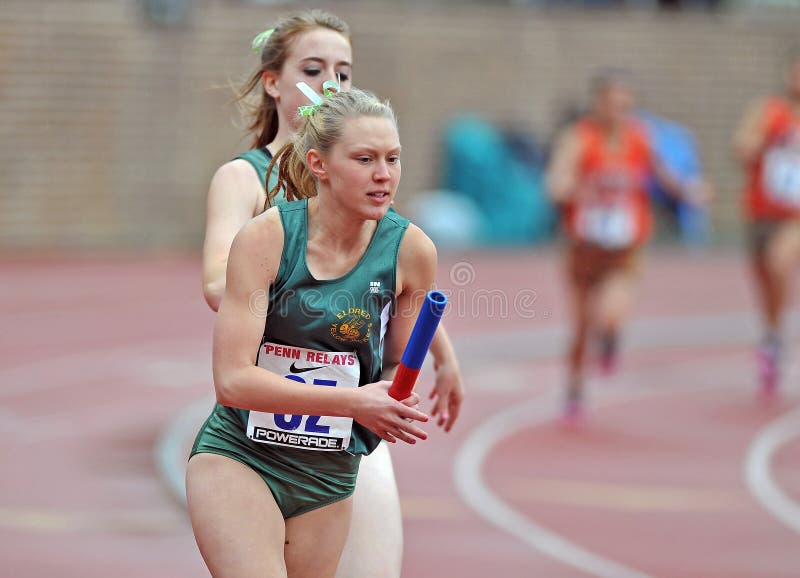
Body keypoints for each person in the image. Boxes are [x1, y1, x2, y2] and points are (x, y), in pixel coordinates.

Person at [200, 11, 464, 577]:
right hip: (261, 423)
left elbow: (396, 296)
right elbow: (218, 288)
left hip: (341, 439)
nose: (330, 84)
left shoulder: (385, 211)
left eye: (343, 72)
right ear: (275, 80)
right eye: (314, 69)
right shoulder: (249, 187)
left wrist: (441, 355)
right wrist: (284, 286)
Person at [546, 68, 709, 419]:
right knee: (581, 325)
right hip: (584, 248)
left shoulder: (640, 138)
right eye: (610, 103)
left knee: (610, 315)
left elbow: (666, 177)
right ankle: (574, 387)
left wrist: (689, 190)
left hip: (625, 248)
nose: (617, 111)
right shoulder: (579, 138)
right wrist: (566, 187)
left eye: (624, 104)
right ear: (597, 103)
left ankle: (611, 337)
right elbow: (559, 176)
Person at [733, 47, 800, 395]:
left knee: (779, 264)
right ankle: (772, 335)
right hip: (761, 213)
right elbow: (741, 148)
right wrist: (760, 142)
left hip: (795, 218)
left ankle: (774, 337)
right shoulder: (769, 111)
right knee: (763, 282)